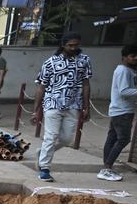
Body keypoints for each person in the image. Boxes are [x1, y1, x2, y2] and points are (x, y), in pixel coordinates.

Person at [32, 32, 93, 183]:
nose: (73, 48)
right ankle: (45, 169)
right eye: (70, 45)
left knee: (66, 139)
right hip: (52, 103)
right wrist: (35, 110)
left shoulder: (84, 60)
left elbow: (86, 84)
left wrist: (86, 107)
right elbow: (41, 86)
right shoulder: (50, 62)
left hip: (74, 104)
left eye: (76, 45)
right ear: (63, 45)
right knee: (51, 136)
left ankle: (42, 153)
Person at [99, 43, 137, 182]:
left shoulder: (129, 70)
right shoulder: (123, 71)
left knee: (112, 138)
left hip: (121, 110)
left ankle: (106, 168)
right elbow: (124, 91)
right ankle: (107, 168)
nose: (135, 58)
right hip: (122, 111)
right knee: (123, 139)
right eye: (132, 56)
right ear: (124, 57)